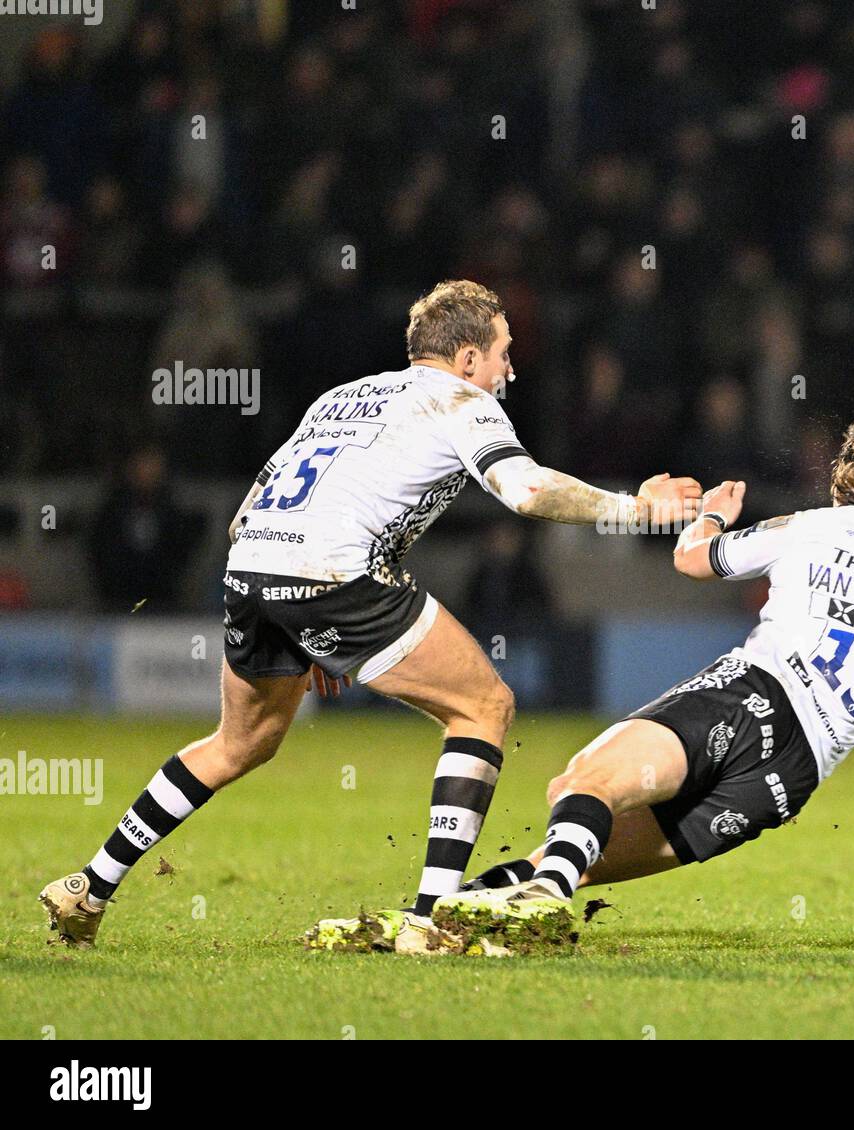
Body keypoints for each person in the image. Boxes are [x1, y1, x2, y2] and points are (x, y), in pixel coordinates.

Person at [40, 279, 701, 949]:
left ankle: (88, 886)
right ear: (468, 358)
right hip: (332, 571)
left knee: (240, 743)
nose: (510, 370)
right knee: (484, 707)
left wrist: (304, 628)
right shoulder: (462, 400)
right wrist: (635, 509)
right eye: (503, 353)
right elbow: (526, 492)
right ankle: (429, 920)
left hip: (251, 565)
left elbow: (245, 514)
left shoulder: (342, 396)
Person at [433, 412, 854, 950]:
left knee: (581, 784)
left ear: (849, 482)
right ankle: (466, 913)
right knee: (582, 857)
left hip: (751, 700)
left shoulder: (818, 526)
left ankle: (510, 897)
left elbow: (693, 560)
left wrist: (713, 516)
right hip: (789, 778)